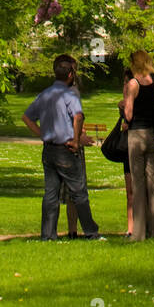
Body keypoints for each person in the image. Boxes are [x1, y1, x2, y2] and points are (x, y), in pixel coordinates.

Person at [21, 53, 100, 241]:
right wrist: (75, 139)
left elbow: (26, 117)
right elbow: (78, 116)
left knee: (50, 194)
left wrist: (42, 134)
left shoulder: (45, 94)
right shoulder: (69, 94)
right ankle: (91, 232)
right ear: (71, 75)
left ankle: (48, 235)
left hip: (48, 150)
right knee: (79, 193)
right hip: (65, 149)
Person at [123, 49, 154, 241]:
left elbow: (129, 114)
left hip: (136, 134)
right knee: (153, 183)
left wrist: (123, 104)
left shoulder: (134, 84)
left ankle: (139, 232)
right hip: (150, 135)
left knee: (138, 185)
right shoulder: (152, 81)